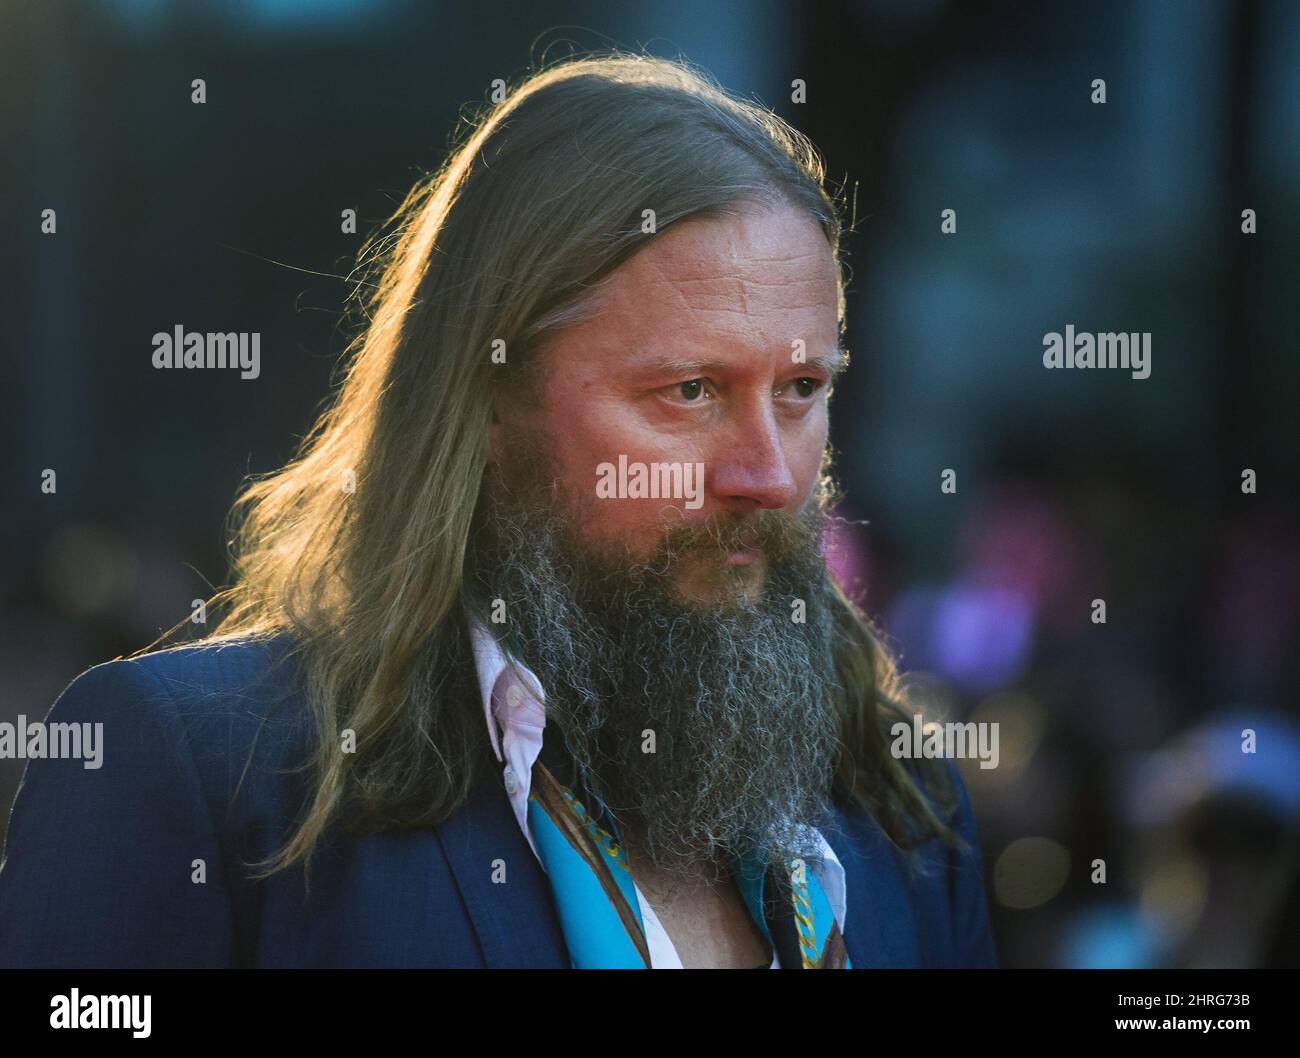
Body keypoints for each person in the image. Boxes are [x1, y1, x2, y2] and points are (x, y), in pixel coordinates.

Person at [0, 52, 998, 969]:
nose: (769, 475)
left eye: (801, 390)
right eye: (689, 391)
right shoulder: (209, 776)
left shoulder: (900, 810)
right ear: (485, 402)